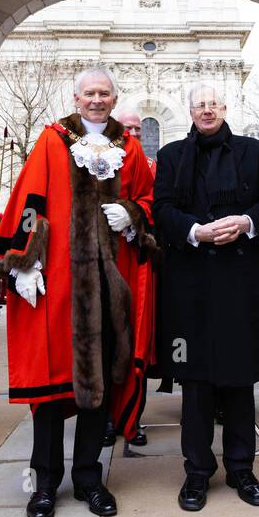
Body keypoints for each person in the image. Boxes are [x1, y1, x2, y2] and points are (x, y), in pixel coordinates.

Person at [0, 69, 156, 517]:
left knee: (97, 385)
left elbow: (149, 197)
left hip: (109, 280)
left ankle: (88, 478)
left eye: (105, 94)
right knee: (50, 385)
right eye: (90, 94)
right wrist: (24, 260)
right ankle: (44, 484)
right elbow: (29, 202)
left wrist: (133, 213)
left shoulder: (130, 147)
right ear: (77, 98)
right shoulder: (52, 140)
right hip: (59, 278)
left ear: (113, 98)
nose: (97, 100)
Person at [153, 85, 259, 511]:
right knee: (195, 383)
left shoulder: (252, 151)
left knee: (238, 378)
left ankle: (242, 469)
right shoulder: (173, 156)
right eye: (200, 106)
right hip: (191, 284)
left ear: (225, 110)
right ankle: (196, 472)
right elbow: (162, 210)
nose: (207, 110)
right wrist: (196, 231)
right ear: (191, 113)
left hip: (240, 281)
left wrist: (246, 221)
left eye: (214, 104)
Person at [106, 110, 155, 448]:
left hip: (135, 261)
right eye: (129, 128)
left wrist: (134, 215)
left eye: (140, 128)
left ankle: (131, 417)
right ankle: (103, 417)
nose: (134, 133)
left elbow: (156, 206)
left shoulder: (151, 165)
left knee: (135, 340)